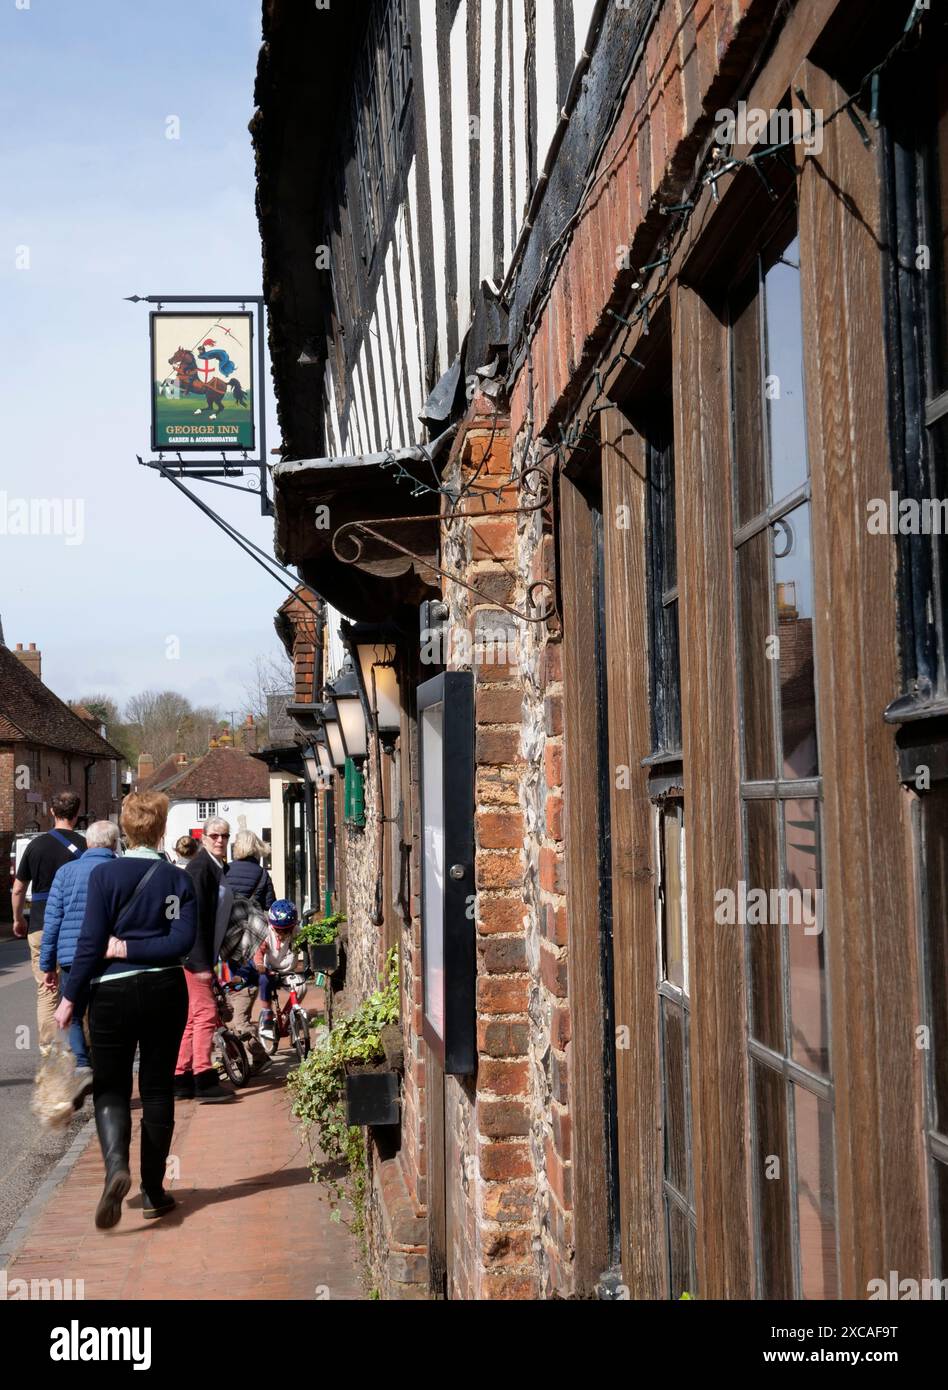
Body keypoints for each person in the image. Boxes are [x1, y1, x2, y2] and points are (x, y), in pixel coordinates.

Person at [53, 792, 196, 1229]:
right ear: (160, 830)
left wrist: (69, 998)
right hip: (164, 990)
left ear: (127, 829)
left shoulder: (104, 877)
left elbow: (90, 943)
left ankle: (117, 1166)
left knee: (112, 1086)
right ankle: (153, 1190)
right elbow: (180, 944)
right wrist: (140, 947)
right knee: (156, 1089)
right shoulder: (177, 880)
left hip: (110, 995)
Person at [40, 820, 121, 1101]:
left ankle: (84, 1067)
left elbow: (52, 922)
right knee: (104, 1016)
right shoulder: (119, 871)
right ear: (114, 844)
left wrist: (47, 965)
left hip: (72, 956)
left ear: (88, 843)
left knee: (74, 1014)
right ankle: (106, 1075)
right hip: (111, 956)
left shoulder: (66, 872)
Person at [11, 792, 86, 1058]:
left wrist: (19, 919)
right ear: (77, 814)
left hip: (41, 924)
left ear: (52, 813)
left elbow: (19, 889)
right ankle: (81, 1049)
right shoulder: (87, 845)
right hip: (76, 926)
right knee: (79, 986)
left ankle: (50, 1050)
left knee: (46, 990)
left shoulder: (36, 846)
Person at [174, 816, 235, 1102]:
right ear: (204, 838)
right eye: (214, 836)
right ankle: (203, 1078)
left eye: (225, 836)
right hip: (195, 957)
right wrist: (200, 964)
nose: (220, 840)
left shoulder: (213, 866)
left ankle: (181, 1077)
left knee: (192, 1018)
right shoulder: (201, 869)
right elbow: (194, 919)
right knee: (207, 1014)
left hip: (198, 955)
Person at [223, 831, 275, 1074]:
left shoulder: (225, 871)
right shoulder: (262, 874)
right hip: (254, 939)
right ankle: (253, 1047)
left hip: (229, 940)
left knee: (233, 995)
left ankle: (243, 1052)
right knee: (249, 984)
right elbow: (270, 907)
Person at [255, 900, 302, 1040]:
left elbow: (307, 945)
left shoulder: (297, 933)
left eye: (286, 929)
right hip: (270, 970)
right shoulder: (266, 934)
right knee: (264, 982)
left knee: (302, 987)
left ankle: (289, 1013)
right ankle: (267, 1014)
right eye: (278, 929)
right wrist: (259, 965)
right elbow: (258, 952)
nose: (282, 933)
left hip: (289, 971)